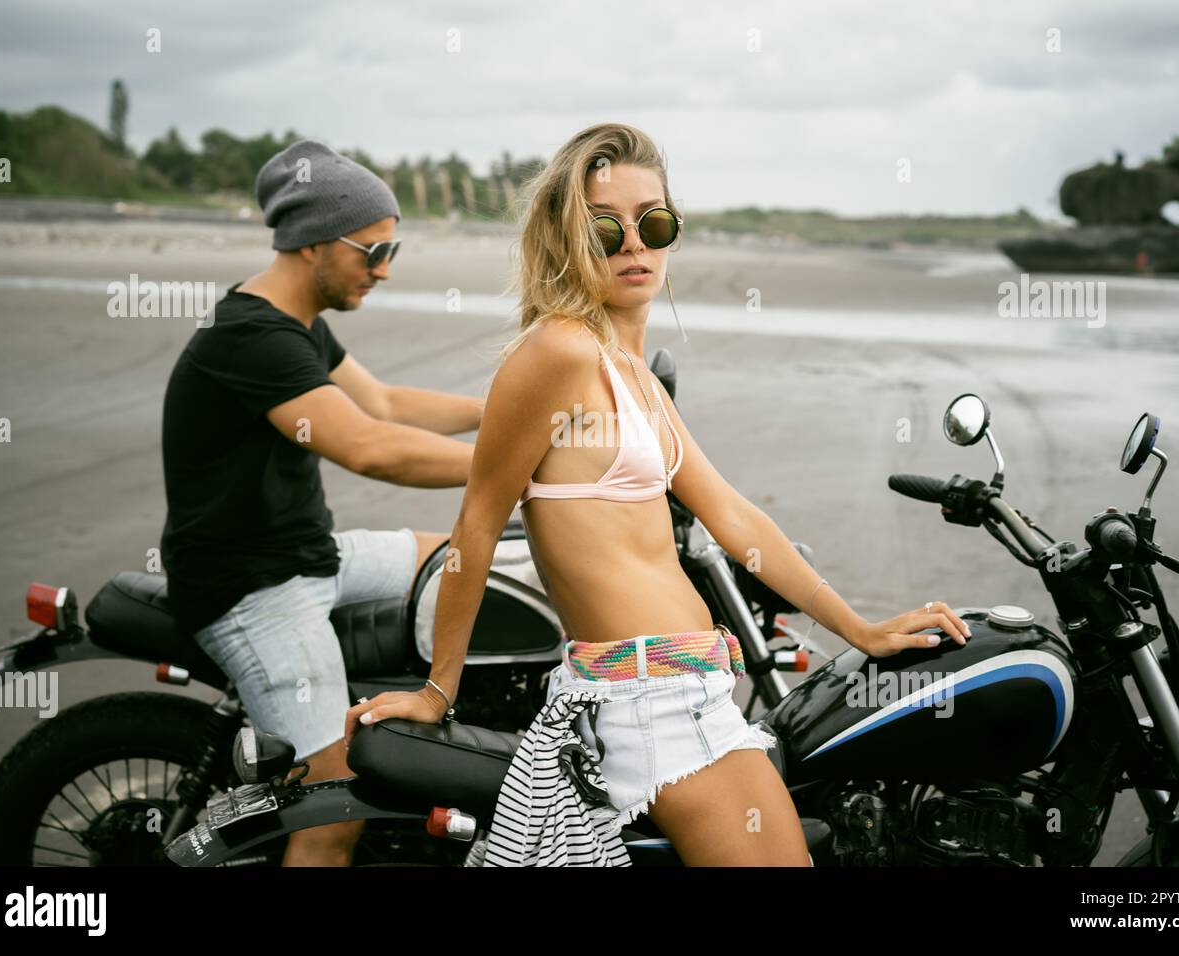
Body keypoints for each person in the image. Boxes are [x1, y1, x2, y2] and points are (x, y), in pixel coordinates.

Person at [345, 123, 969, 866]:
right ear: (568, 240)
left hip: (694, 688)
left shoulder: (630, 373)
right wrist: (437, 690)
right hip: (647, 703)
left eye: (654, 223)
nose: (634, 245)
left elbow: (734, 516)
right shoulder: (559, 352)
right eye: (605, 229)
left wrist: (857, 628)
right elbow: (476, 525)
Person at [160, 139, 482, 866]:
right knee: (334, 812)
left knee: (479, 563)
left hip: (309, 555)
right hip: (253, 587)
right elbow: (368, 444)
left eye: (391, 248)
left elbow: (388, 402)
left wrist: (515, 415)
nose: (386, 269)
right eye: (373, 250)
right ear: (312, 243)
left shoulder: (300, 321)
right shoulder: (249, 336)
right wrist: (514, 469)